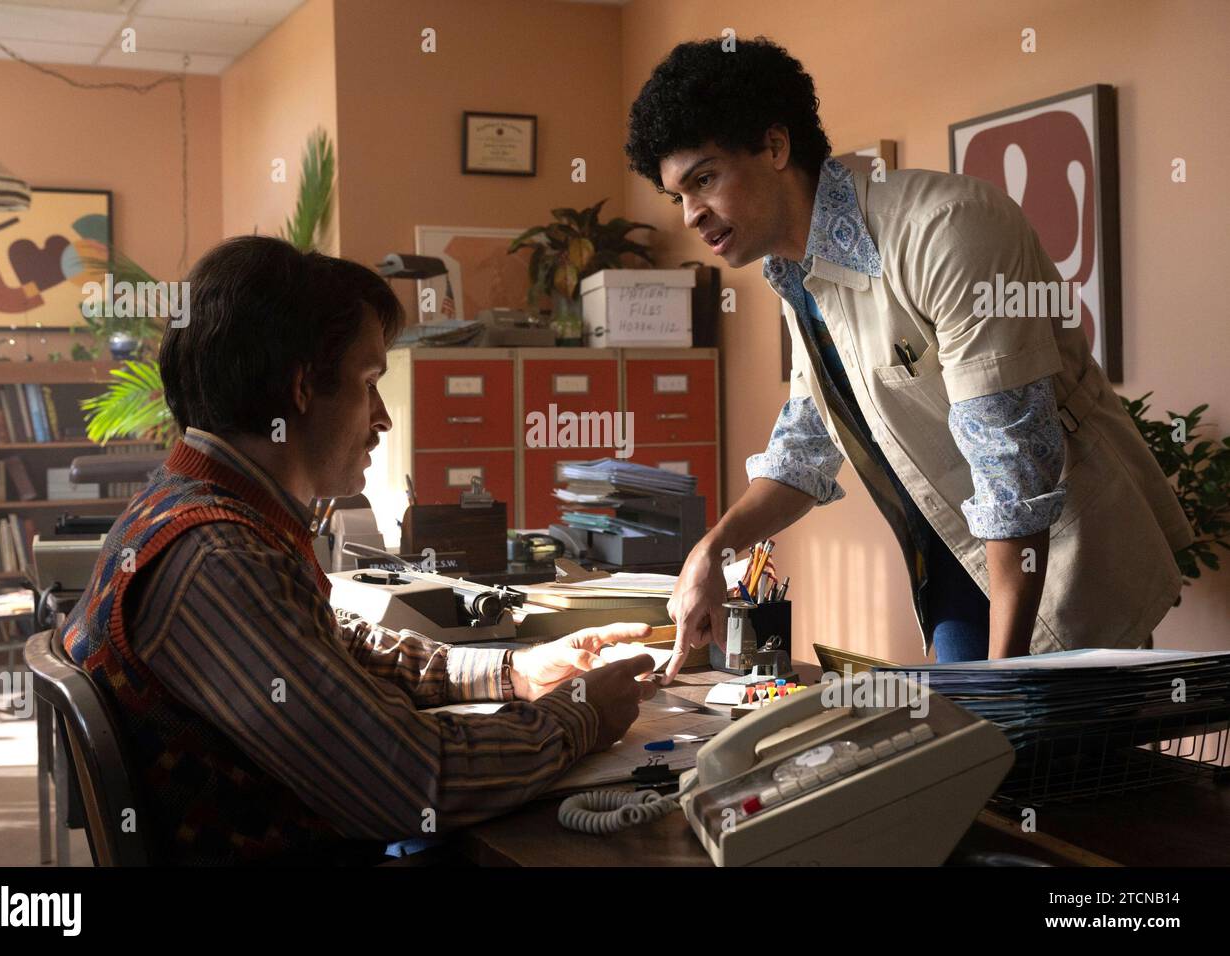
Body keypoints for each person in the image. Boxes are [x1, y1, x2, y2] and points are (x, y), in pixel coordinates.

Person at [60, 235, 656, 865]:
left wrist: (516, 672)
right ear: (299, 389)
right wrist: (582, 716)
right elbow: (412, 782)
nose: (383, 417)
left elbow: (339, 653)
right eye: (369, 382)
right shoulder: (217, 560)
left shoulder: (194, 504)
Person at [623, 38, 1192, 679]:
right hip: (953, 563)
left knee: (1074, 772)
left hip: (1058, 566)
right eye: (679, 196)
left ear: (775, 147)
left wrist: (999, 683)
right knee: (963, 769)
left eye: (704, 179)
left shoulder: (948, 229)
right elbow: (805, 449)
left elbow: (1015, 478)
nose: (693, 214)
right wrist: (712, 549)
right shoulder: (796, 274)